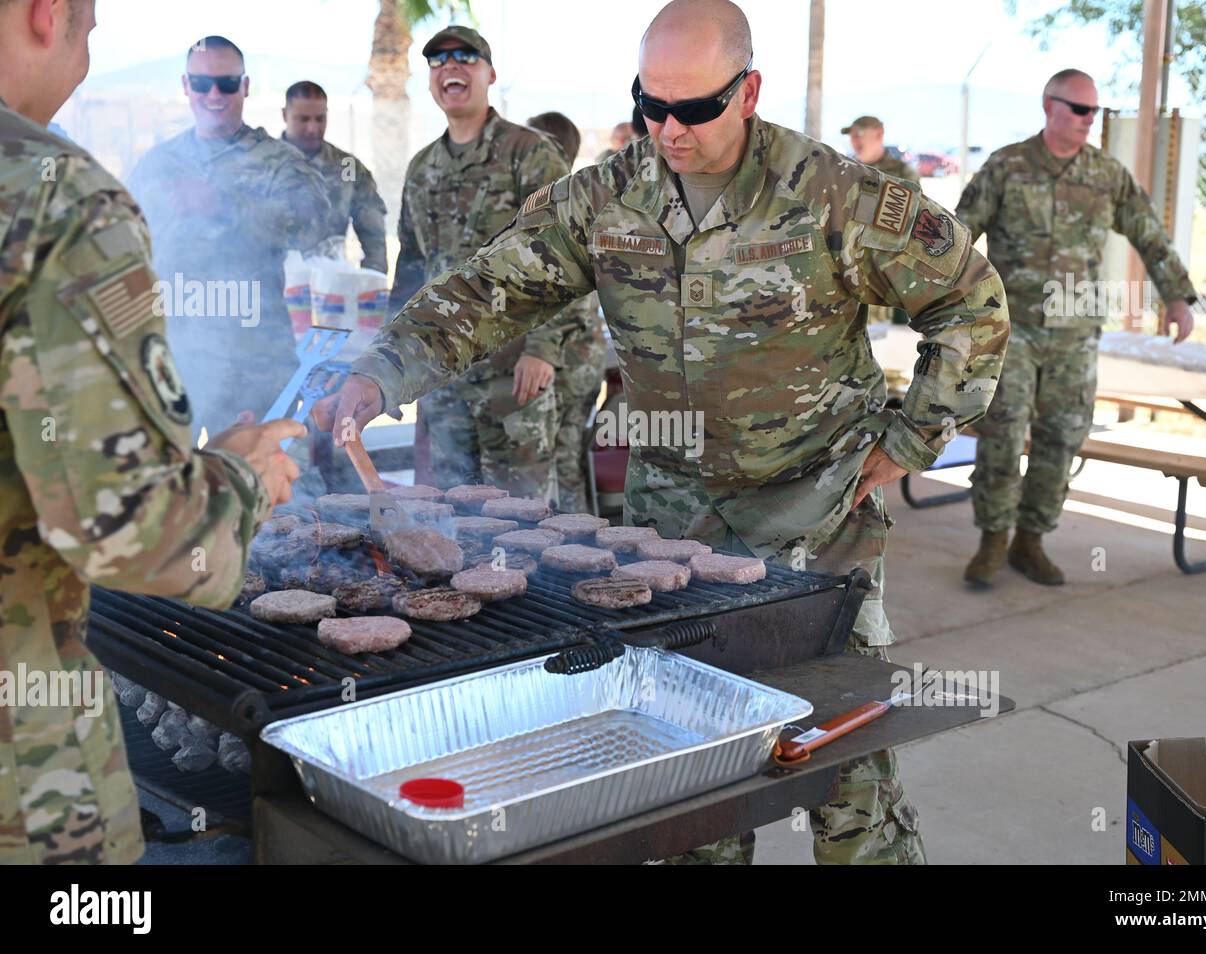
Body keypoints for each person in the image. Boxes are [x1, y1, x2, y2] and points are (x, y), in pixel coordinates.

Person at [316, 0, 1010, 864]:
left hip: (815, 515)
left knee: (838, 760)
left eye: (695, 108)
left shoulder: (836, 195)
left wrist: (910, 442)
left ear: (748, 91)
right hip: (671, 520)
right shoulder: (608, 196)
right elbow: (488, 289)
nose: (670, 129)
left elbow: (972, 305)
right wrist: (382, 372)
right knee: (684, 762)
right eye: (651, 105)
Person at [0, 0, 304, 864]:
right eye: (92, 34)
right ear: (46, 14)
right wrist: (241, 480)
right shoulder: (56, 198)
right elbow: (133, 532)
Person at [956, 68, 1196, 587]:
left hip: (1074, 329)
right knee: (1002, 430)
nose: (1091, 121)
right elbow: (959, 235)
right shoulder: (1007, 167)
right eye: (1081, 110)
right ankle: (993, 538)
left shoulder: (1105, 175)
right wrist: (930, 295)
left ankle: (1031, 540)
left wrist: (1176, 296)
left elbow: (1148, 232)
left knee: (1062, 435)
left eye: (1096, 112)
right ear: (1050, 107)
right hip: (1011, 328)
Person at [391, 26, 572, 500]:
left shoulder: (530, 155)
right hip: (444, 377)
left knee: (525, 519)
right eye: (438, 60)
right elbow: (410, 268)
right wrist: (391, 362)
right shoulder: (422, 167)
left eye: (466, 56)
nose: (450, 65)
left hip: (512, 378)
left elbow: (568, 250)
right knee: (454, 516)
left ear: (490, 74)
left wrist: (542, 349)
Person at [129, 35, 328, 438]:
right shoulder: (157, 164)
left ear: (246, 86)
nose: (214, 94)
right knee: (167, 494)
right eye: (202, 84)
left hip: (256, 367)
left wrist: (222, 205)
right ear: (186, 87)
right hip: (172, 365)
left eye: (227, 83)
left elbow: (315, 224)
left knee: (277, 493)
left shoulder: (277, 160)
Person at [527, 110, 608, 512]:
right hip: (583, 355)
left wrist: (542, 349)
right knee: (569, 460)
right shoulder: (575, 203)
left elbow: (566, 290)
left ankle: (572, 550)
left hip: (566, 358)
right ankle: (582, 547)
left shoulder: (555, 206)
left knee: (555, 465)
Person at [282, 80, 388, 273]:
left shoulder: (347, 167)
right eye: (303, 119)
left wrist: (372, 283)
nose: (313, 128)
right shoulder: (264, 165)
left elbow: (374, 237)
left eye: (320, 119)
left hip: (330, 288)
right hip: (274, 290)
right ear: (285, 115)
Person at [842, 115, 920, 184]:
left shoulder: (903, 173)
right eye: (851, 135)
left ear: (879, 134)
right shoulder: (845, 170)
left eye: (858, 134)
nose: (853, 140)